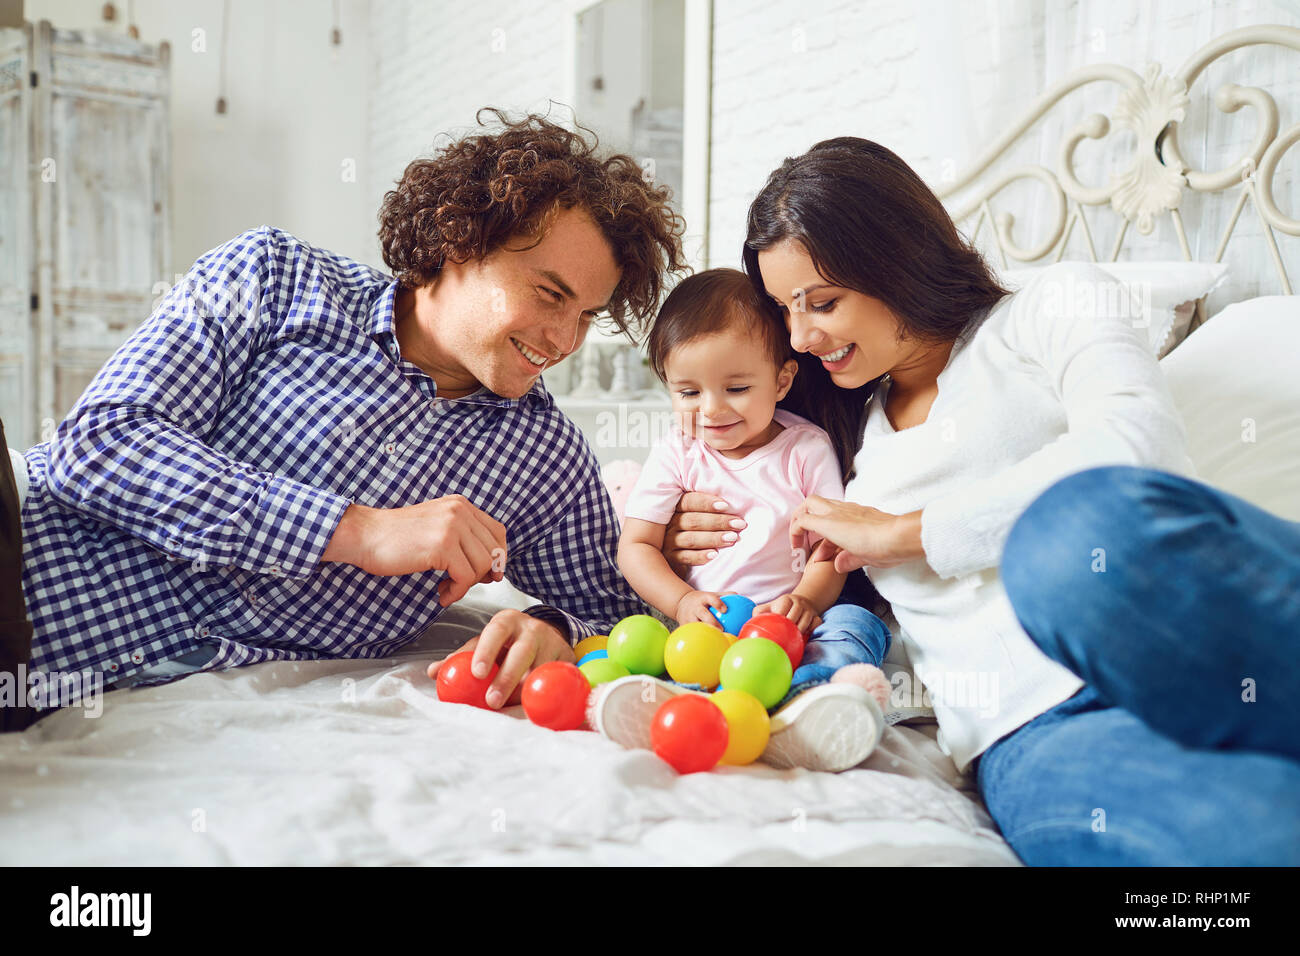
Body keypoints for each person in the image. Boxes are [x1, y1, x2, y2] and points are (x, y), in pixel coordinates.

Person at [659, 136, 1300, 864]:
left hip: (1175, 622)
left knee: (1065, 539)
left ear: (894, 257)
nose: (802, 338)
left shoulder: (1050, 307)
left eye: (824, 303)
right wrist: (689, 530)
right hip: (1031, 728)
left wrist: (908, 533)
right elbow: (804, 565)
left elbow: (1139, 445)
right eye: (786, 313)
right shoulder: (838, 441)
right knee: (1249, 840)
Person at [0, 108, 686, 730]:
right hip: (21, 553)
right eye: (549, 293)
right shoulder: (274, 279)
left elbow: (624, 615)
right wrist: (354, 531)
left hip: (57, 691)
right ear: (459, 240)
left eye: (587, 315)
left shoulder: (543, 456)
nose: (564, 340)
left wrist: (550, 629)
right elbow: (97, 445)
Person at [610, 267, 893, 771]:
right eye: (688, 393)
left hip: (787, 630)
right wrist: (681, 601)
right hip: (703, 626)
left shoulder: (805, 447)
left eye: (737, 387)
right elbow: (636, 546)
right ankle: (672, 698)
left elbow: (831, 546)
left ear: (782, 380)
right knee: (639, 633)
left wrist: (806, 599)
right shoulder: (678, 449)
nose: (712, 410)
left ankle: (810, 699)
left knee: (858, 624)